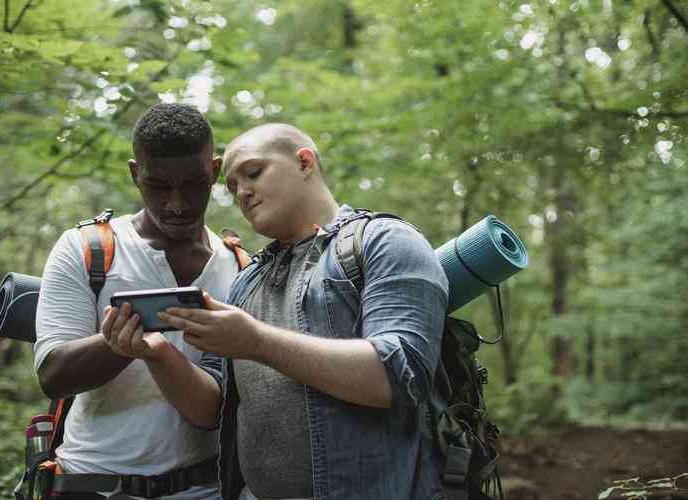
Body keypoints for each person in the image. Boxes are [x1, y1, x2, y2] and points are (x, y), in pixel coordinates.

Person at [112, 123, 450, 500]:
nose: (242, 191)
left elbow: (401, 375)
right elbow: (211, 410)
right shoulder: (246, 281)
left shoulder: (383, 242)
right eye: (232, 186)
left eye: (254, 173)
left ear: (305, 163)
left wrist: (256, 341)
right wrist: (157, 354)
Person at [34, 103, 241, 499]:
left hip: (203, 489)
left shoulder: (238, 265)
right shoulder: (87, 250)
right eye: (159, 186)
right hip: (91, 484)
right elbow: (53, 375)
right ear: (135, 174)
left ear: (214, 172)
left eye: (194, 184)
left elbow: (227, 401)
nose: (176, 204)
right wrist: (120, 346)